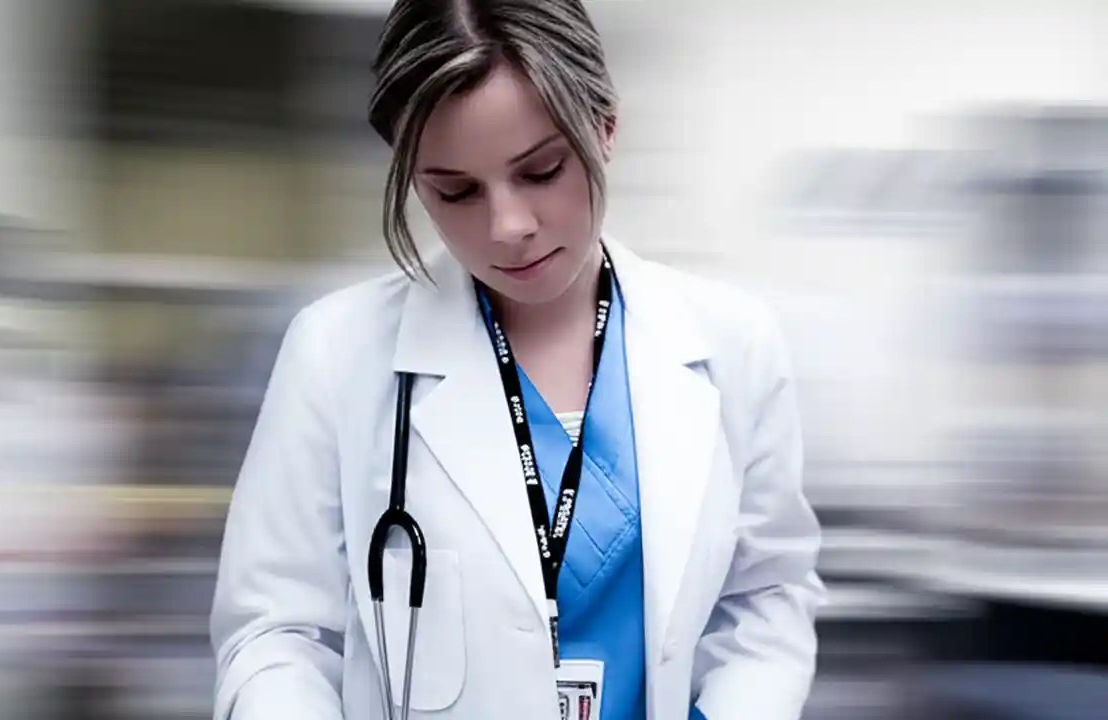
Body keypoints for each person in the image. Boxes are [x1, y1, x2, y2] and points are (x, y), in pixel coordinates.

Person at [210, 1, 824, 719]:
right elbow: (277, 634)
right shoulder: (335, 354)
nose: (508, 227)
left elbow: (765, 597)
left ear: (606, 128)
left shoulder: (732, 344)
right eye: (456, 191)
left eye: (541, 171)